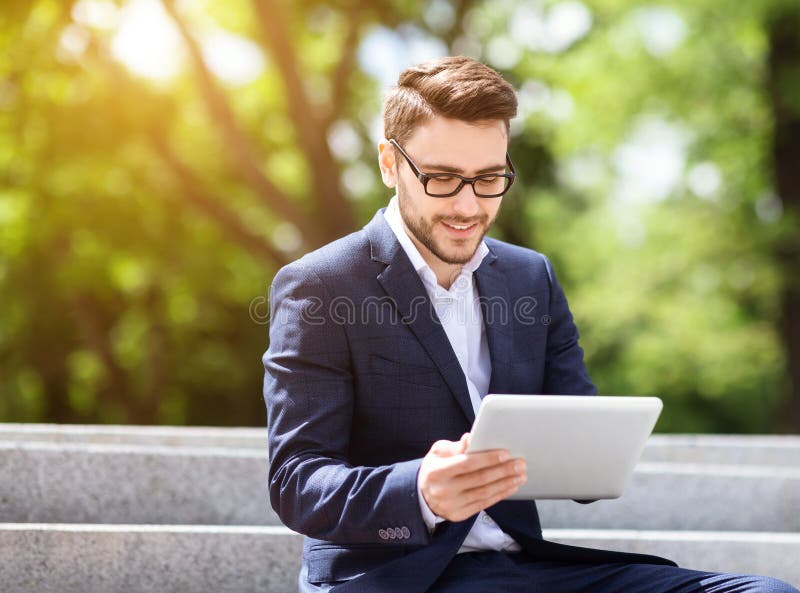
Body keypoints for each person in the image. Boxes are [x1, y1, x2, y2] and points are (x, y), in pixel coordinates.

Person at [262, 56, 798, 593]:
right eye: (443, 178)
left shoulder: (529, 278)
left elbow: (580, 432)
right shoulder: (321, 286)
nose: (469, 205)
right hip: (400, 575)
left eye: (490, 178)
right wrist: (419, 491)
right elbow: (297, 482)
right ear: (389, 163)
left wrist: (591, 454)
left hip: (529, 569)